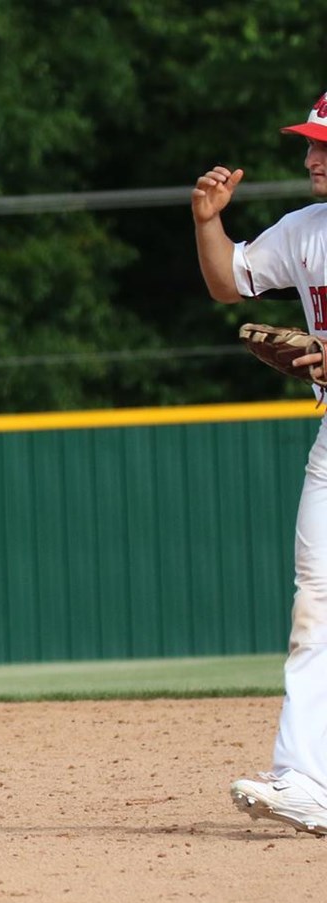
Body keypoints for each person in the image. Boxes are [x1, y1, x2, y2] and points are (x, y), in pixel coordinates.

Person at [197, 91, 327, 837]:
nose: (310, 156)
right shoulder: (307, 231)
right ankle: (306, 778)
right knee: (317, 599)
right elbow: (228, 282)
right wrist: (207, 222)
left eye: (323, 147)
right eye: (310, 143)